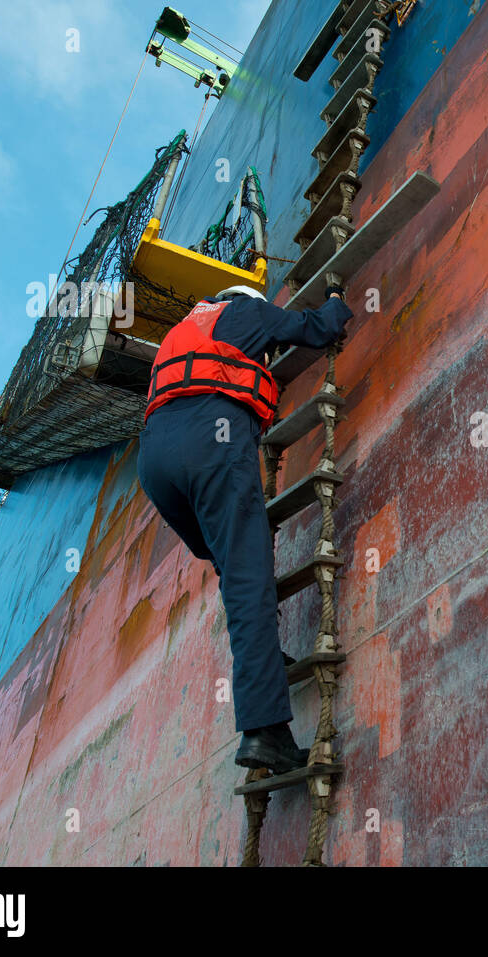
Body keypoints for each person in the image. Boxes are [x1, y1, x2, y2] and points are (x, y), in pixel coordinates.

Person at [137, 283, 352, 774]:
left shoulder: (181, 332)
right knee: (248, 581)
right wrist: (338, 302)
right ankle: (265, 733)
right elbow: (312, 328)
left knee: (232, 568)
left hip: (156, 462)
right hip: (211, 441)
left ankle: (261, 658)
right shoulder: (245, 314)